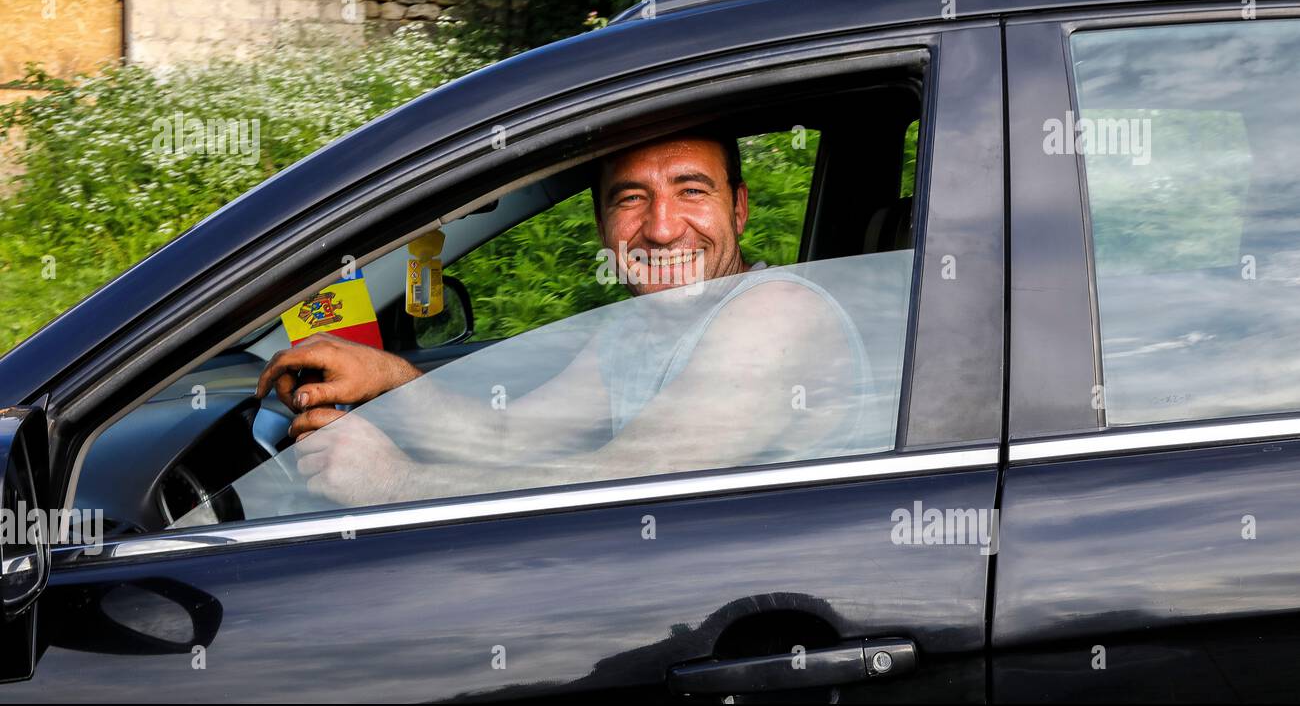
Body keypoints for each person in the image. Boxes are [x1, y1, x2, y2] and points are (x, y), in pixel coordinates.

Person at [254, 133, 869, 507]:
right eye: (631, 198)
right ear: (602, 224)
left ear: (737, 210)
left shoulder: (777, 311)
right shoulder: (636, 329)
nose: (659, 228)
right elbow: (505, 439)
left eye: (691, 191)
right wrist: (390, 375)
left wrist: (392, 484)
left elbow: (625, 481)